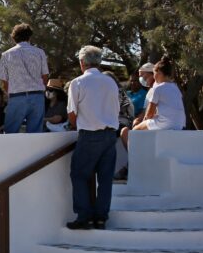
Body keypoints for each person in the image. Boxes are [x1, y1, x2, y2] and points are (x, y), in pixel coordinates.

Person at [66, 46, 120, 230]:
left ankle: (84, 216)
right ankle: (101, 218)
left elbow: (72, 115)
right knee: (105, 179)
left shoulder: (77, 83)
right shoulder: (111, 82)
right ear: (98, 62)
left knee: (79, 175)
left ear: (82, 63)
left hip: (89, 135)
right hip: (110, 135)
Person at [121, 55, 185, 148]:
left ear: (158, 72)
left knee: (135, 132)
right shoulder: (175, 88)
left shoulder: (158, 88)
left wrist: (143, 123)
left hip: (164, 124)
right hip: (179, 124)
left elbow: (149, 114)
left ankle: (134, 157)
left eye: (154, 73)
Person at [0, 23, 49, 133]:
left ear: (14, 37)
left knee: (10, 134)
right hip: (37, 96)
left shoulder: (6, 55)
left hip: (17, 96)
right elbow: (45, 76)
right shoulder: (40, 52)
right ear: (29, 37)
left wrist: (10, 94)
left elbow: (4, 80)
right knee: (35, 134)